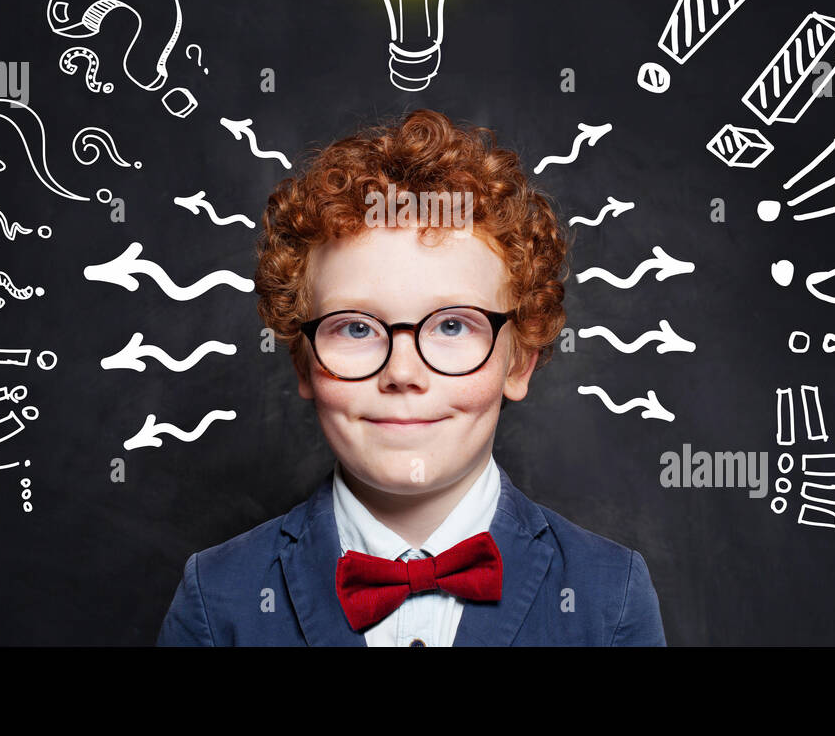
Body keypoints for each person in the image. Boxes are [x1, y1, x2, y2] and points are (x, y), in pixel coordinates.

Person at [157, 109, 666, 646]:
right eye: (355, 328)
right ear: (303, 361)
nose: (402, 372)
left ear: (519, 362)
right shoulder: (216, 599)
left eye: (452, 325)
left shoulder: (611, 598)